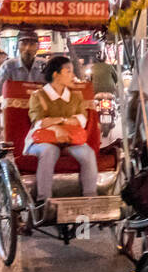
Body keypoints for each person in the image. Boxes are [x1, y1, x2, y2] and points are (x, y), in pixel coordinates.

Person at [25, 55, 97, 209]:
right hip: (41, 140)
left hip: (70, 139)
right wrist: (62, 124)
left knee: (88, 153)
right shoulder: (38, 96)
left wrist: (57, 121)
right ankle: (44, 200)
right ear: (56, 75)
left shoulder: (75, 97)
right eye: (68, 71)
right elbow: (40, 122)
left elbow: (81, 120)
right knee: (49, 151)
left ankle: (90, 199)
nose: (73, 75)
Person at [0, 30, 46, 101]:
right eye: (24, 44)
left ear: (37, 47)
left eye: (32, 44)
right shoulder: (7, 67)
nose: (27, 48)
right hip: (14, 109)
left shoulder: (46, 65)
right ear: (17, 46)